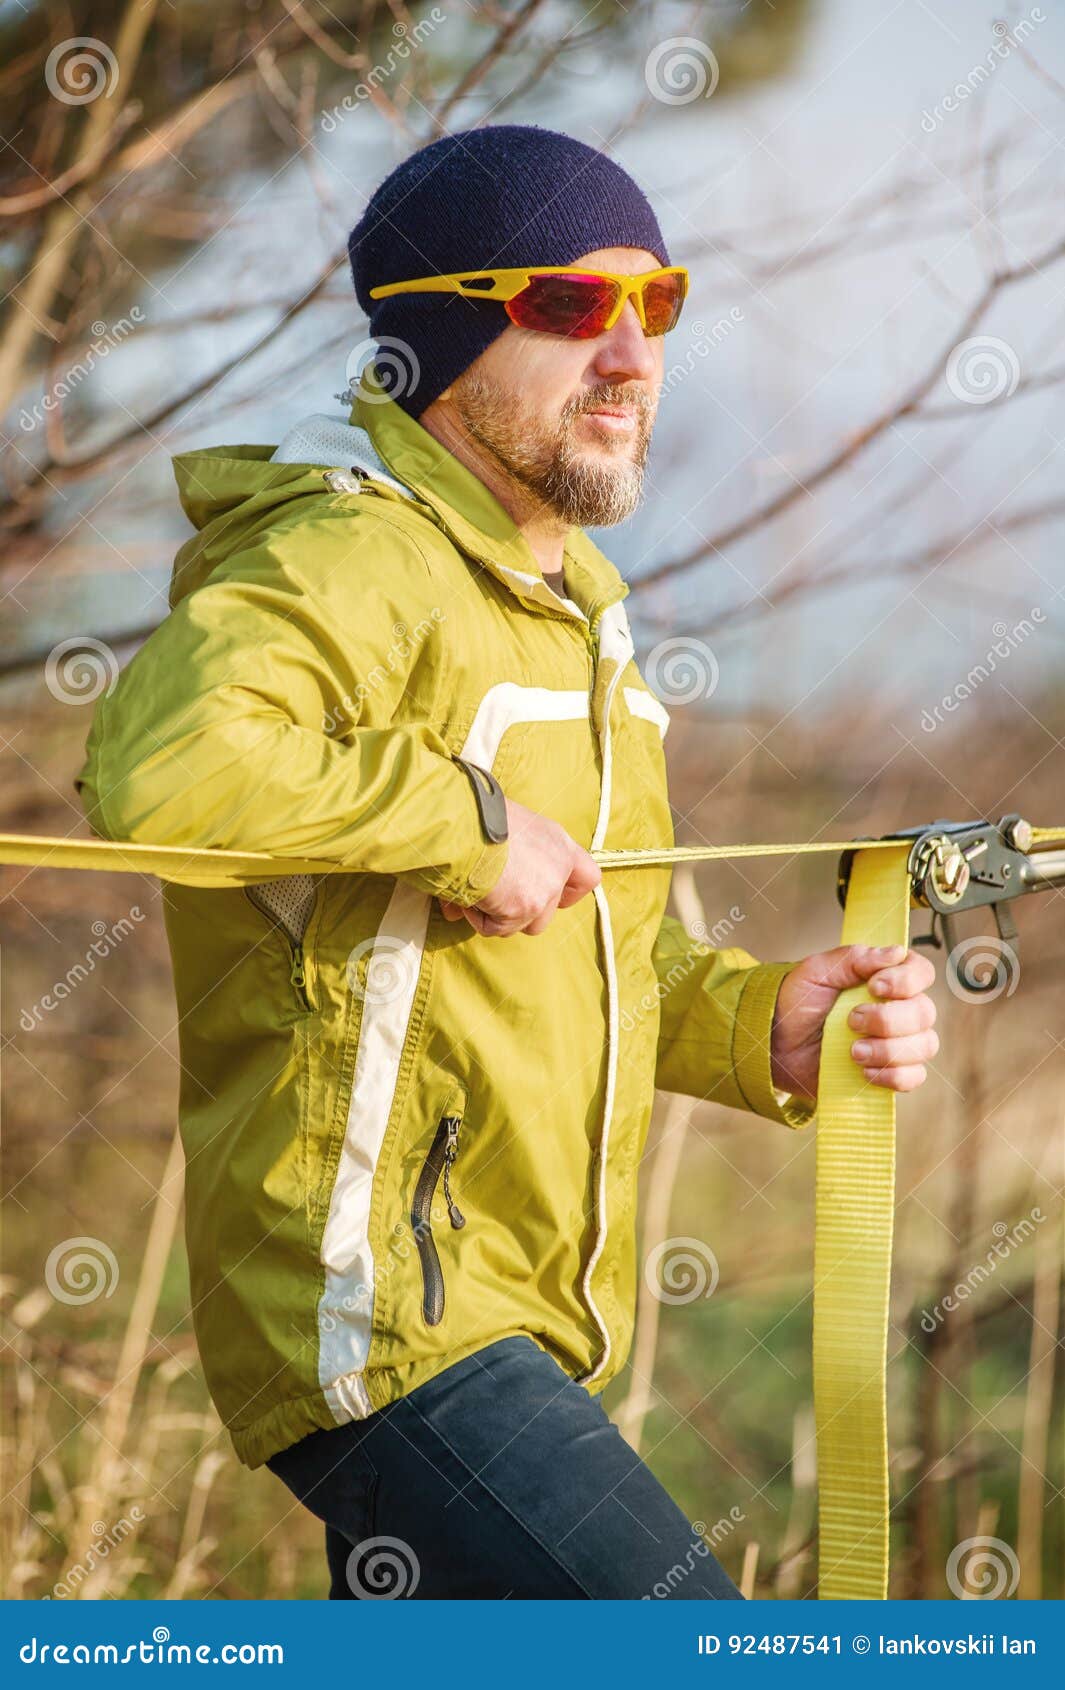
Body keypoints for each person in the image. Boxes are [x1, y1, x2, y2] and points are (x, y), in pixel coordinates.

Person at [75, 123, 937, 1600]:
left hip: (518, 1316)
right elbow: (161, 763)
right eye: (563, 306)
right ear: (439, 337)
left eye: (653, 303)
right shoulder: (356, 555)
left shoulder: (588, 626)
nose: (627, 354)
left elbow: (615, 951)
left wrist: (764, 1024)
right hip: (374, 1308)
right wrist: (463, 827)